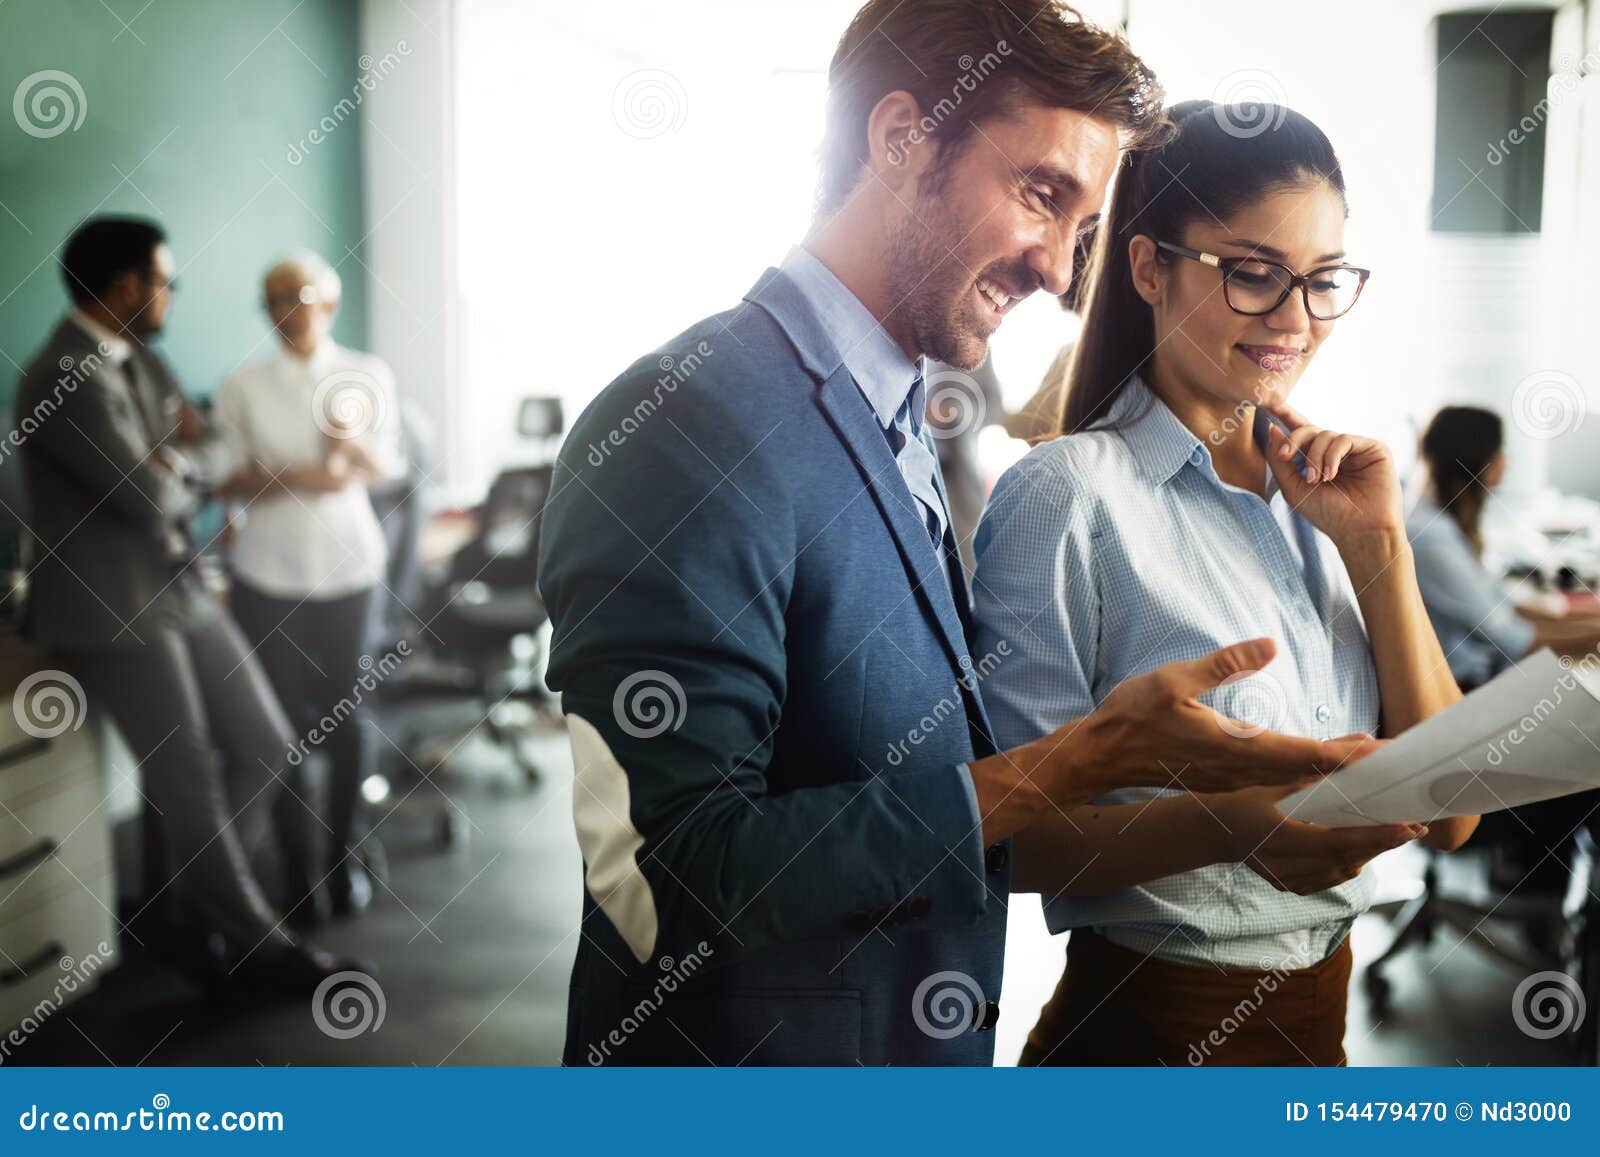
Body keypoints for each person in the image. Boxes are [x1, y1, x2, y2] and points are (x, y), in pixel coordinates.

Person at [538, 1, 1385, 1067]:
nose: (1058, 270)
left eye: (1082, 226)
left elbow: (926, 807)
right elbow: (671, 878)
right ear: (900, 139)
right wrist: (1071, 763)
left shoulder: (899, 421)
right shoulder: (688, 418)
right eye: (1041, 195)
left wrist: (1212, 813)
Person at [972, 100, 1478, 1066]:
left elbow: (1454, 812)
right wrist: (1229, 831)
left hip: (1317, 1032)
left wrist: (1380, 550)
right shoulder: (1069, 494)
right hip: (1144, 1041)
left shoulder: (1334, 494)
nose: (1295, 319)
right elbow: (1012, 840)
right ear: (1151, 266)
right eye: (1254, 275)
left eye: (1324, 281)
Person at [13, 215, 364, 993]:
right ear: (128, 284)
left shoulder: (144, 361)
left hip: (176, 586)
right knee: (189, 780)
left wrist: (183, 464)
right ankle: (261, 949)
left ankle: (194, 906)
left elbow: (212, 451)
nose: (171, 294)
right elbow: (148, 494)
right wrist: (180, 467)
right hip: (111, 609)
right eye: (166, 280)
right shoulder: (62, 375)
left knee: (268, 742)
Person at [212, 252, 403, 925]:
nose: (284, 309)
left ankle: (342, 856)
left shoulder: (364, 374)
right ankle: (297, 874)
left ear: (329, 300)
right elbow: (227, 480)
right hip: (266, 574)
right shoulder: (242, 385)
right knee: (282, 725)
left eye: (297, 294)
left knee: (346, 715)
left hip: (347, 569)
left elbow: (380, 468)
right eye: (271, 298)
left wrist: (340, 444)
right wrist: (308, 470)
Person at [1410, 405, 1600, 686]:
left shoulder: (1442, 521)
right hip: (1470, 685)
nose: (1506, 462)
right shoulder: (1432, 538)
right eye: (1501, 451)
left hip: (1487, 671)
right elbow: (1516, 642)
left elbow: (1505, 608)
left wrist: (1591, 621)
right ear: (1483, 461)